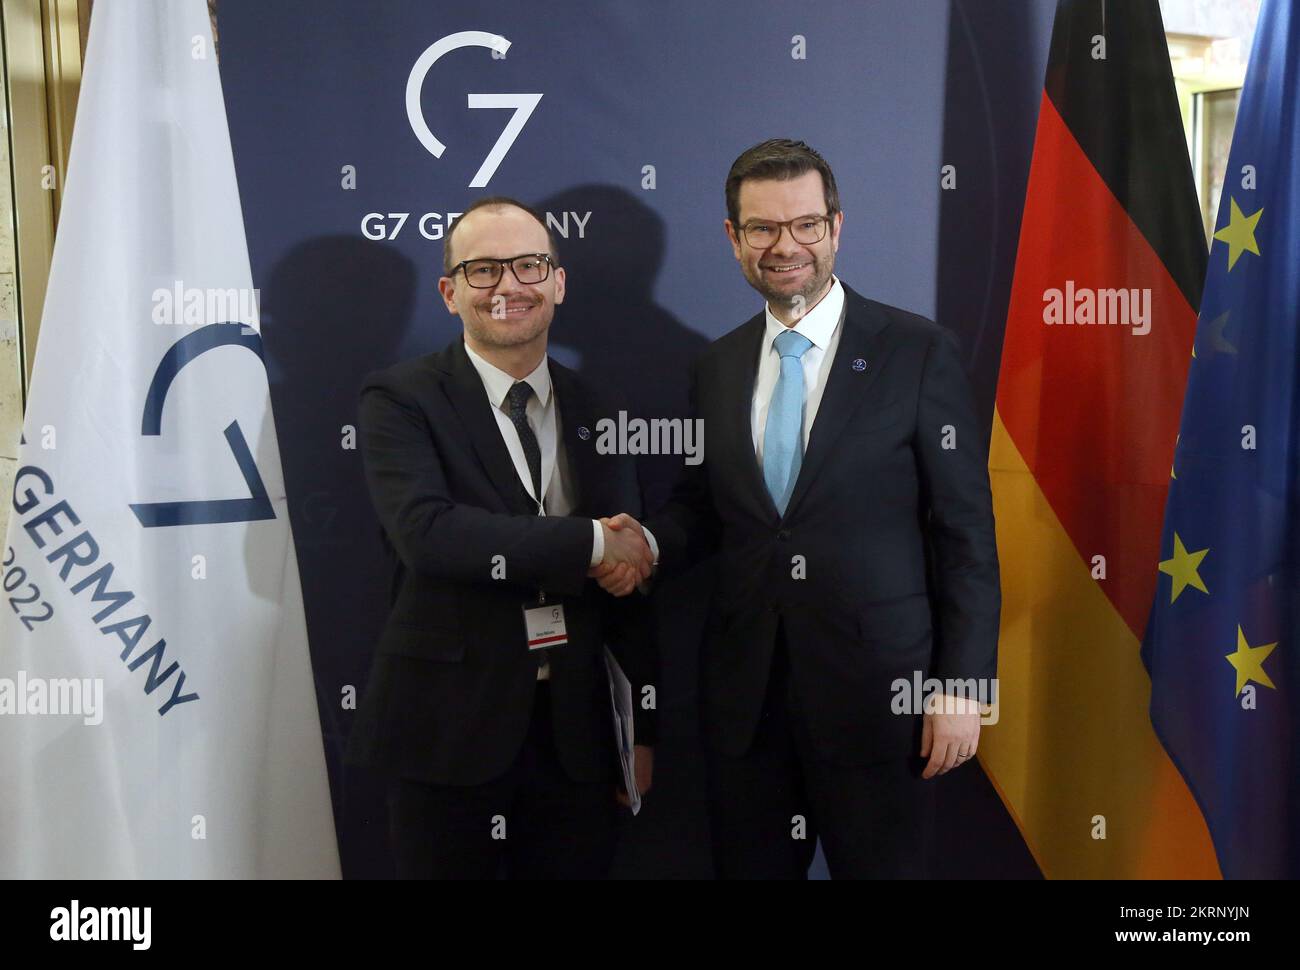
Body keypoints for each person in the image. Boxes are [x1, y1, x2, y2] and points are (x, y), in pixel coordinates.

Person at [599, 138, 1000, 878]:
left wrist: (964, 687)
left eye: (806, 224)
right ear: (733, 238)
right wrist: (650, 545)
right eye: (763, 228)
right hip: (747, 706)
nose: (787, 246)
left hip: (886, 705)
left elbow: (966, 531)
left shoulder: (916, 352)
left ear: (836, 228)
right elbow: (708, 507)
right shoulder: (715, 367)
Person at [348, 196, 657, 879]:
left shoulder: (595, 404)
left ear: (558, 282)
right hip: (448, 734)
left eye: (527, 265)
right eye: (483, 270)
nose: (508, 287)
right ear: (449, 291)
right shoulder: (400, 399)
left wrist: (638, 732)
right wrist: (592, 546)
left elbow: (627, 573)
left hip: (576, 737)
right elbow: (429, 535)